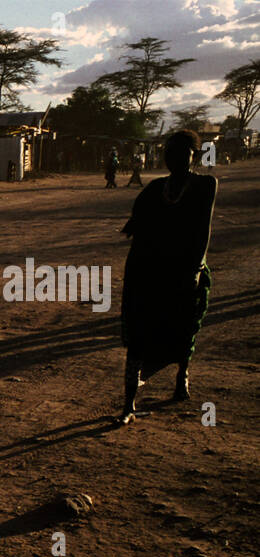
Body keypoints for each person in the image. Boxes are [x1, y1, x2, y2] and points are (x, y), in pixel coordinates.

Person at [116, 130, 218, 425]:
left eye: (180, 152)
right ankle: (128, 405)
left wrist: (196, 270)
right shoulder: (153, 189)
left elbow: (204, 230)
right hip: (150, 272)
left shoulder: (205, 185)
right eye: (168, 152)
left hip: (185, 271)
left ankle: (181, 375)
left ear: (194, 156)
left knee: (184, 329)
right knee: (139, 334)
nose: (172, 158)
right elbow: (134, 229)